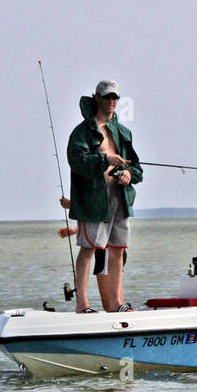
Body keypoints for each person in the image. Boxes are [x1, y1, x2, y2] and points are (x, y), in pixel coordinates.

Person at [66, 79, 143, 313]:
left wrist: (128, 175)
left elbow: (137, 169)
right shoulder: (82, 132)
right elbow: (77, 161)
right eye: (107, 97)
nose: (111, 101)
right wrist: (105, 160)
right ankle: (83, 305)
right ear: (96, 97)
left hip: (119, 198)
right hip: (93, 201)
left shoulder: (123, 132)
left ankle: (117, 303)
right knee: (89, 248)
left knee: (118, 249)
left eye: (115, 98)